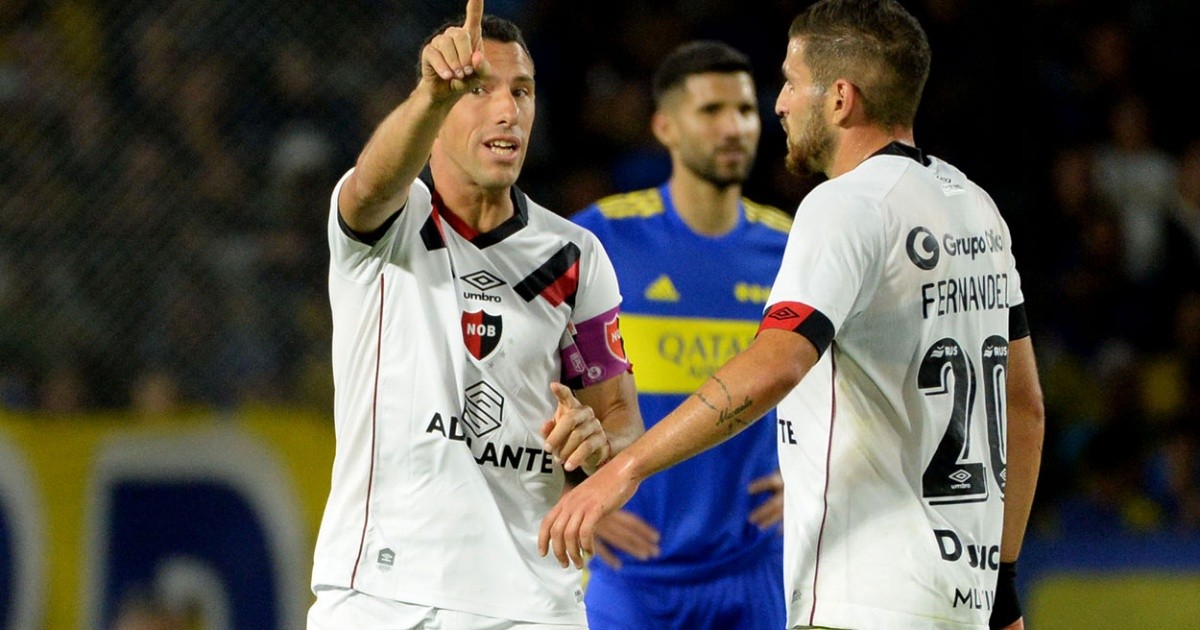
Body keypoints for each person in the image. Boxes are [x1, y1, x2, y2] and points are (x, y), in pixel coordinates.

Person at [539, 1, 1045, 629]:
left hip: (862, 597)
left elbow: (777, 365)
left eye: (788, 81)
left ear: (839, 99)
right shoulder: (976, 208)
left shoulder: (842, 207)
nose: (779, 104)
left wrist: (626, 468)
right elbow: (1024, 406)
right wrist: (1004, 582)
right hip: (961, 596)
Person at [308, 1, 643, 628]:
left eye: (522, 91)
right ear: (435, 115)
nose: (508, 110)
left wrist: (603, 447)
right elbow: (371, 186)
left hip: (531, 602)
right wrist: (430, 94)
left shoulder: (574, 255)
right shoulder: (390, 223)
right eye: (478, 89)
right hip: (381, 596)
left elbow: (620, 415)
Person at [568, 40, 790, 629]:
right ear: (665, 127)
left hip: (756, 565)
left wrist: (820, 479)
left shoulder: (794, 248)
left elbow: (859, 378)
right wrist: (574, 488)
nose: (735, 127)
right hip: (629, 572)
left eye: (745, 110)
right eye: (711, 111)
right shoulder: (602, 238)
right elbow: (523, 366)